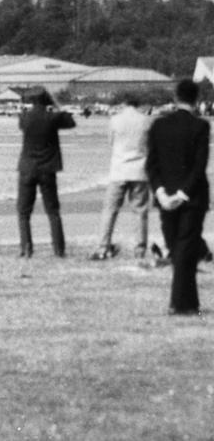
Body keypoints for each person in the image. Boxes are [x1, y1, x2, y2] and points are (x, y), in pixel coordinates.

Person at [146, 79, 210, 316]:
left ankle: (181, 303)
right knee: (184, 249)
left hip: (166, 195)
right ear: (196, 99)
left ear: (175, 97)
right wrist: (183, 194)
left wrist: (161, 192)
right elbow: (199, 166)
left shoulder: (158, 125)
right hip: (191, 197)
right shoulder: (201, 126)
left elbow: (151, 163)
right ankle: (187, 302)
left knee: (178, 248)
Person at [89, 95, 152, 261]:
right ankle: (140, 249)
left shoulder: (115, 120)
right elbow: (149, 144)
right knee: (140, 212)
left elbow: (111, 142)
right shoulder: (146, 121)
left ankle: (103, 246)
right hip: (139, 170)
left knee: (110, 210)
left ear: (124, 104)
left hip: (119, 170)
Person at [16, 88, 76, 258]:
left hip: (27, 167)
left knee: (23, 211)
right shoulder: (52, 118)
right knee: (53, 210)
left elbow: (21, 123)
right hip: (48, 168)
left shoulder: (25, 117)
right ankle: (59, 249)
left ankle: (26, 248)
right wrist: (56, 105)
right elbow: (71, 122)